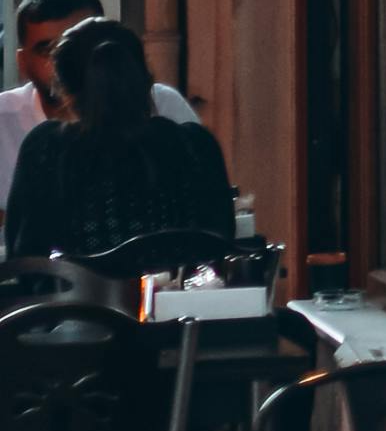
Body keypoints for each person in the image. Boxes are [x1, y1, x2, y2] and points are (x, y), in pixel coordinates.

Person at [2, 19, 234, 269]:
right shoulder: (195, 147)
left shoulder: (46, 151)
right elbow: (222, 245)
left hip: (76, 306)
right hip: (186, 306)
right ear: (146, 80)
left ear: (63, 90)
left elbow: (25, 258)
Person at [0, 0, 196, 224]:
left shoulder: (165, 108)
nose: (62, 61)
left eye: (80, 46)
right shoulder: (10, 123)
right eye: (47, 49)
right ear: (22, 61)